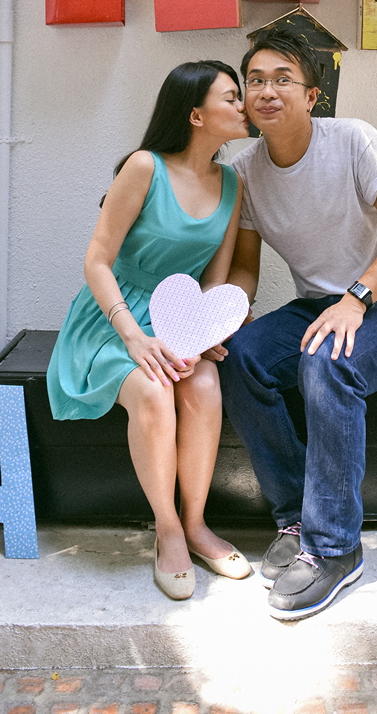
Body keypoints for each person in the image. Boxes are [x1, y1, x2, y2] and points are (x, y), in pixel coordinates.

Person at [216, 31, 377, 621]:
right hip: (317, 305)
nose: (266, 90)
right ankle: (295, 516)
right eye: (255, 80)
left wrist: (357, 299)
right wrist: (222, 319)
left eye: (283, 79)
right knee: (242, 356)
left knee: (327, 361)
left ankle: (337, 549)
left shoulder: (355, 140)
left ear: (312, 95)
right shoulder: (244, 171)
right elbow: (245, 269)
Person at [47, 60, 253, 600]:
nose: (243, 104)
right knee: (156, 394)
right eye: (230, 97)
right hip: (113, 319)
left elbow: (214, 277)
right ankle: (167, 530)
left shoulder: (232, 183)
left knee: (205, 385)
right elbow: (96, 260)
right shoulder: (144, 167)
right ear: (194, 114)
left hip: (177, 317)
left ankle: (196, 522)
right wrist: (133, 336)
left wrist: (207, 329)